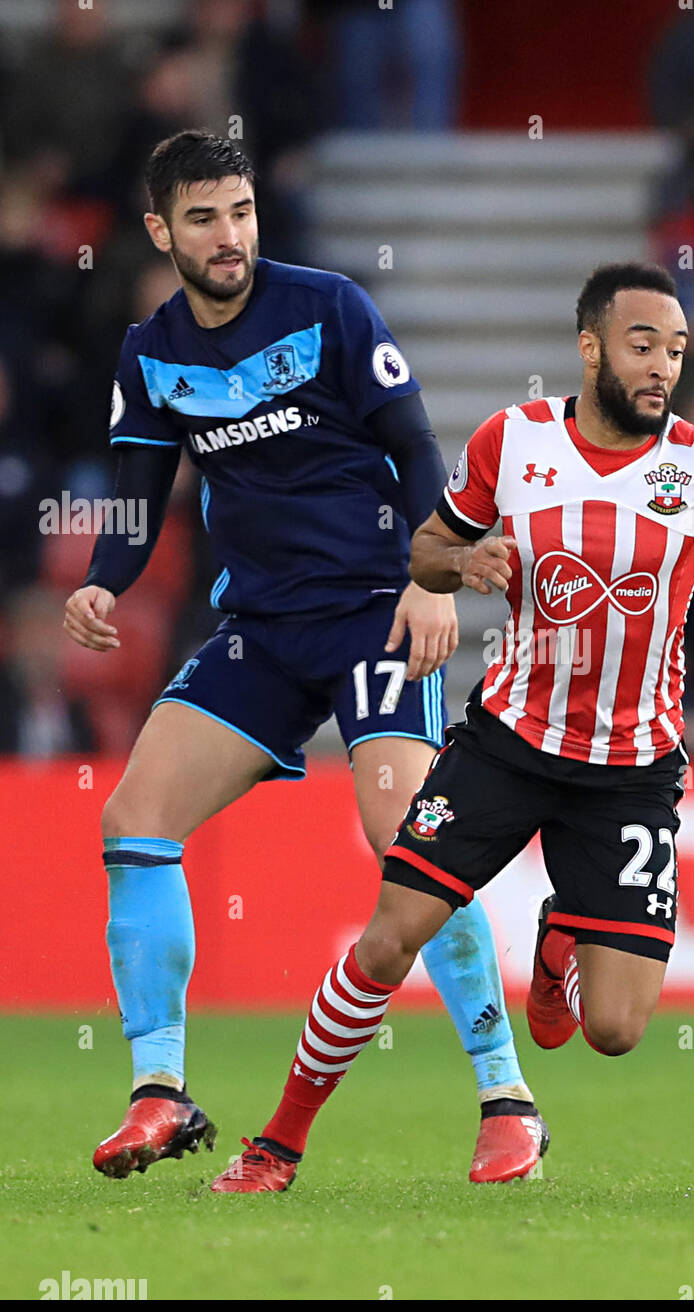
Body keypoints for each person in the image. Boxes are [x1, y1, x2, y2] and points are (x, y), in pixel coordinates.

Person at [213, 262, 694, 1193]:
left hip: (632, 765)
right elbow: (424, 548)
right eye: (641, 346)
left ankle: (560, 942)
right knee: (388, 940)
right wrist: (465, 561)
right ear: (589, 349)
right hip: (507, 739)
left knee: (614, 1031)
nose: (662, 367)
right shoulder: (513, 443)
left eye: (675, 351)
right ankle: (277, 1145)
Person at [63, 130, 545, 1187]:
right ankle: (159, 1092)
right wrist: (106, 576)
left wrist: (433, 575)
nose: (229, 235)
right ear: (160, 230)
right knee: (133, 820)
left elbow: (420, 449)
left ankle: (508, 1099)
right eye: (203, 218)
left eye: (239, 211)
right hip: (265, 631)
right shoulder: (152, 352)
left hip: (377, 609)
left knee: (405, 840)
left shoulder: (328, 306)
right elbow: (140, 494)